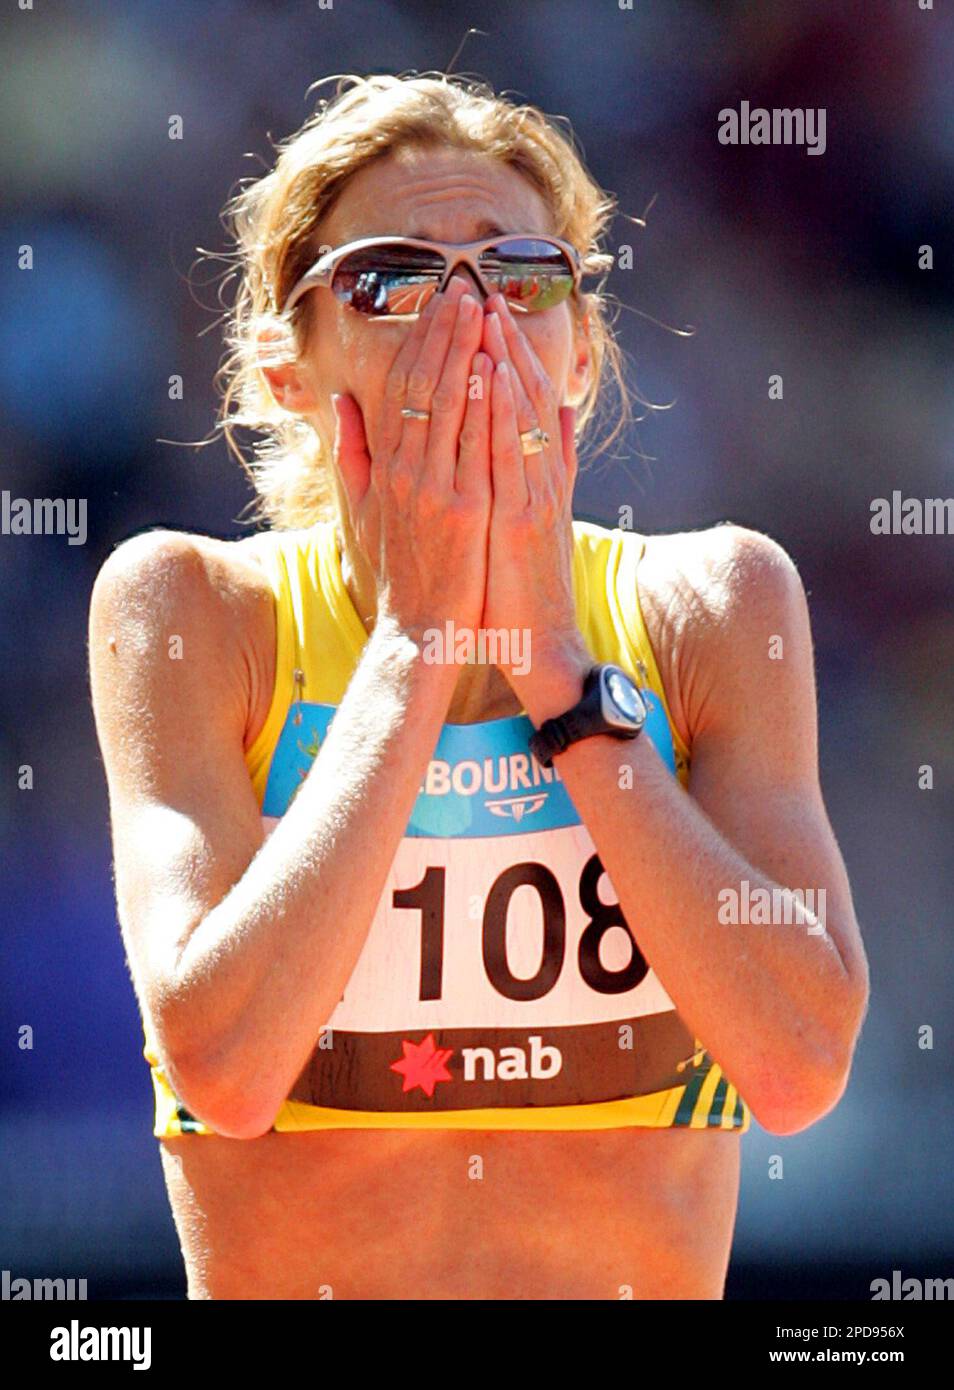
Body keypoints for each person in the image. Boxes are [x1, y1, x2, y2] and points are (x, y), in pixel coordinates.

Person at [88, 73, 869, 1300]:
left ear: (582, 350)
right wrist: (415, 640)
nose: (473, 321)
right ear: (288, 361)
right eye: (393, 277)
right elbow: (228, 1070)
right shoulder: (197, 610)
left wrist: (558, 670)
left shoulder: (712, 603)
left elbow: (800, 1064)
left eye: (521, 277)